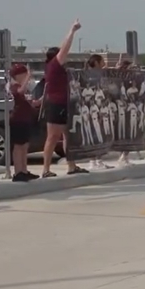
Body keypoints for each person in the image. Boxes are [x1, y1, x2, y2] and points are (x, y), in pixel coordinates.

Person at [40, 19, 88, 178]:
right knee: (53, 136)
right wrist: (72, 30)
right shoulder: (54, 65)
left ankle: (71, 165)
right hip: (56, 104)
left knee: (68, 135)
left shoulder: (54, 68)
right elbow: (65, 48)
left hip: (63, 104)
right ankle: (46, 169)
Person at [8, 64, 41, 182]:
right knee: (18, 146)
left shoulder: (25, 89)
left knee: (25, 146)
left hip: (26, 119)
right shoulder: (14, 86)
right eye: (22, 74)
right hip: (17, 119)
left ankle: (24, 170)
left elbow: (30, 102)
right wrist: (28, 77)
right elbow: (20, 92)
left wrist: (40, 101)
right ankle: (18, 172)